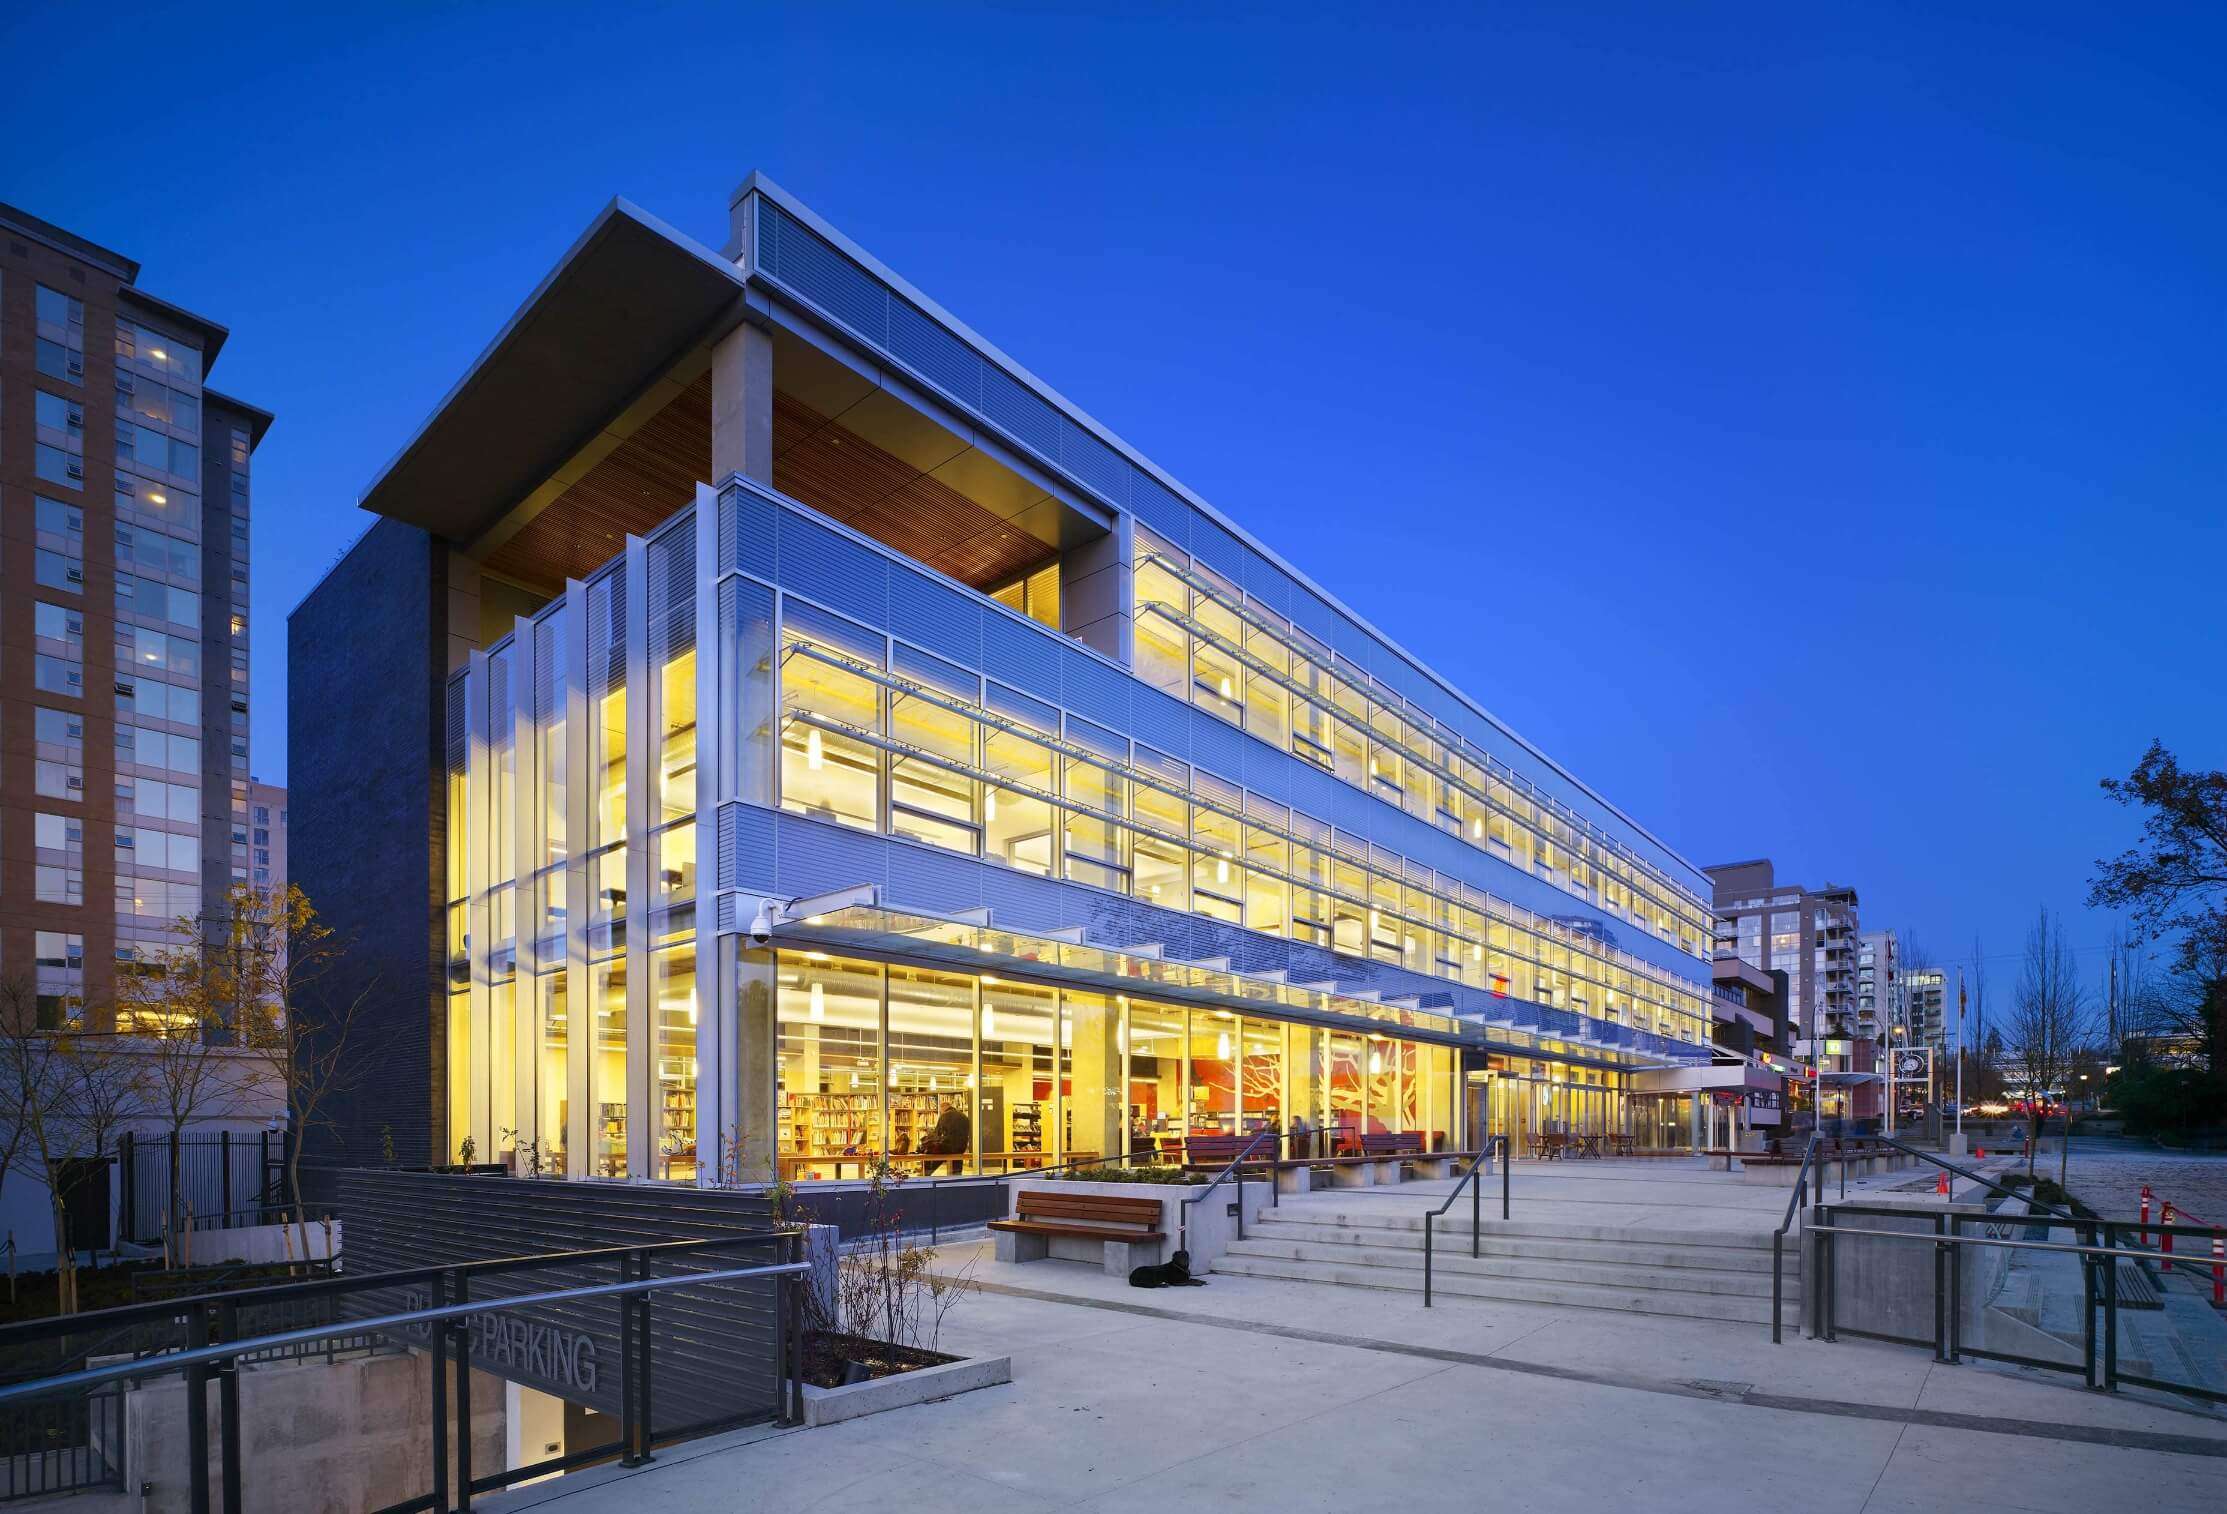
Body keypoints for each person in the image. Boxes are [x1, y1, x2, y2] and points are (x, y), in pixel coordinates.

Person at [919, 1101, 971, 1176]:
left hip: (948, 1147)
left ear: (943, 1108)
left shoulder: (944, 1116)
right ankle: (957, 1175)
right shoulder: (963, 1116)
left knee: (932, 1151)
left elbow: (937, 1134)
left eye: (940, 1110)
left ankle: (926, 1172)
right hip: (961, 1147)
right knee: (956, 1158)